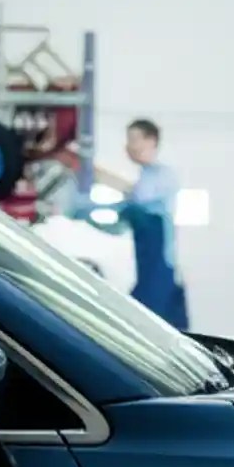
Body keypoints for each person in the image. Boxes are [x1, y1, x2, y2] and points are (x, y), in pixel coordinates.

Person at [74, 118, 190, 331]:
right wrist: (85, 216)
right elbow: (118, 225)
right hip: (148, 271)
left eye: (134, 139)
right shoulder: (144, 179)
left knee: (147, 324)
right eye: (128, 140)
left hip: (161, 271)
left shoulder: (163, 176)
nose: (129, 146)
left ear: (151, 141)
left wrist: (92, 193)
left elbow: (137, 201)